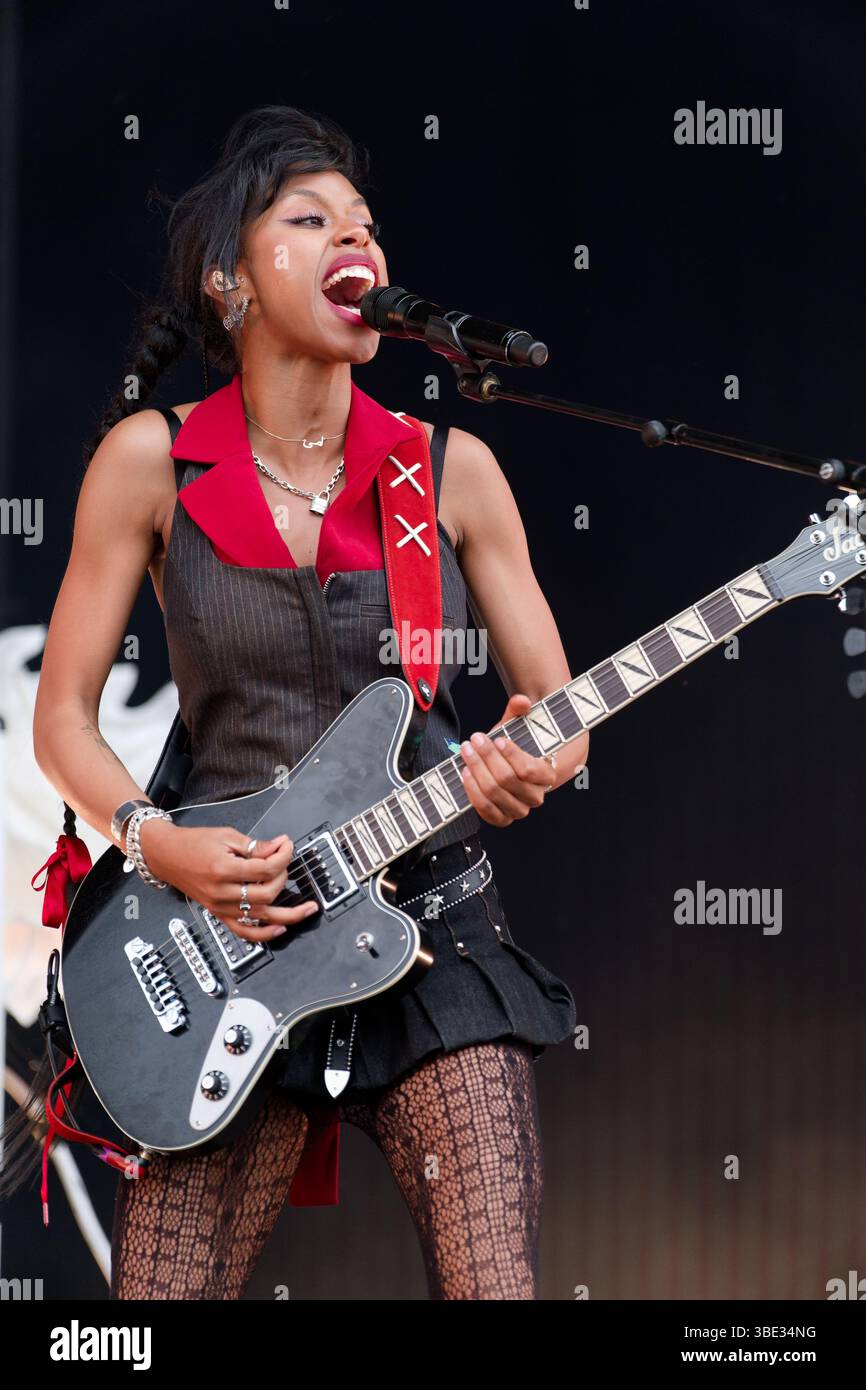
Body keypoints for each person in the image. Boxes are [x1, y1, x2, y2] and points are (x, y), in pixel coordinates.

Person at [30, 105, 588, 1300]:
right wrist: (155, 841)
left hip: (430, 923)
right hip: (229, 941)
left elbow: (555, 706)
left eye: (369, 226)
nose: (359, 242)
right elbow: (63, 717)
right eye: (312, 218)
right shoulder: (150, 460)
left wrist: (529, 759)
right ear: (231, 282)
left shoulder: (445, 472)